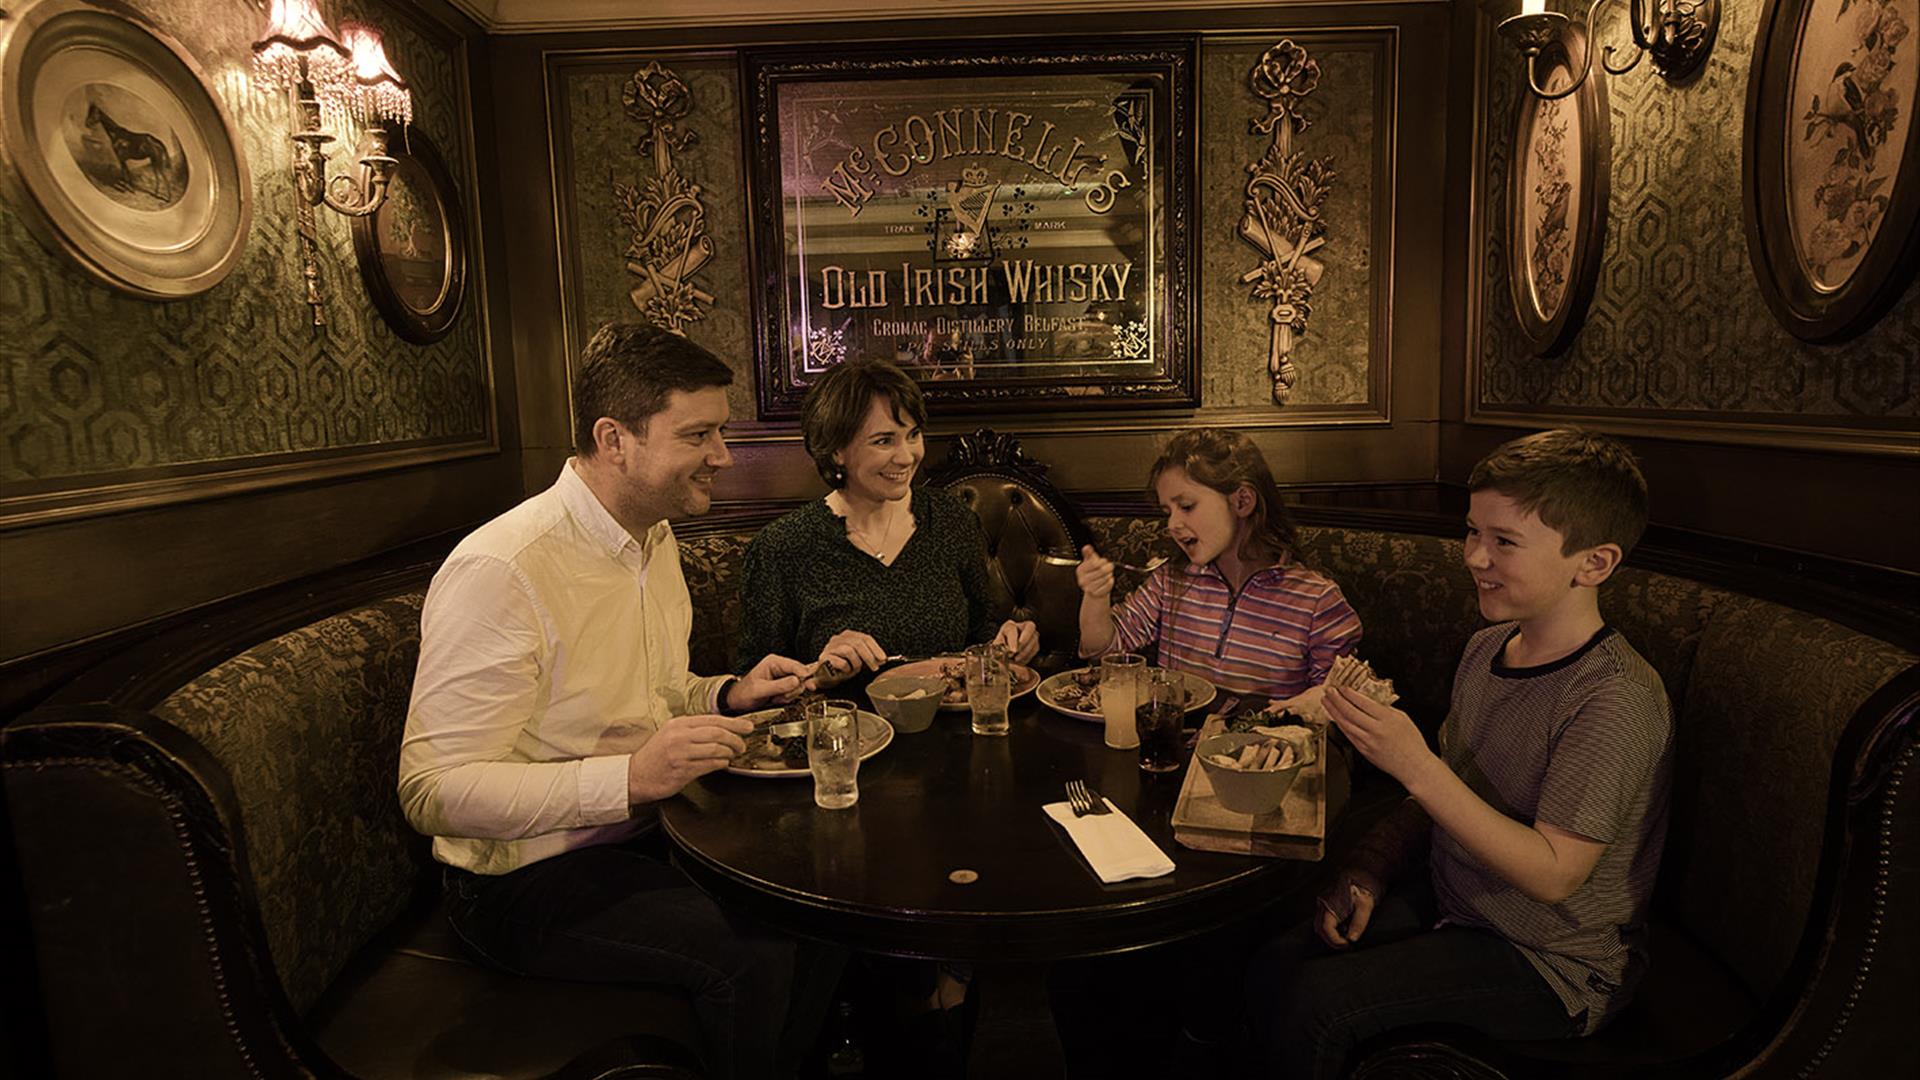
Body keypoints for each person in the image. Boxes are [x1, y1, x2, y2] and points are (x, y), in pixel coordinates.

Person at [397, 322, 841, 1080]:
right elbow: (432, 792)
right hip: (518, 883)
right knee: (758, 951)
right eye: (698, 434)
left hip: (645, 836)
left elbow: (656, 696)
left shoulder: (652, 534)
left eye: (721, 431)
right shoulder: (504, 567)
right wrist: (631, 778)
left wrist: (729, 694)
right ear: (614, 439)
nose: (723, 457)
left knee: (823, 900)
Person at [1243, 427, 1673, 1078]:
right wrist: (1370, 869)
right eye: (1474, 532)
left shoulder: (1615, 697)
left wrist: (1412, 761)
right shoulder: (1486, 647)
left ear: (1595, 563)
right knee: (1274, 957)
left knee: (1317, 1006)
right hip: (1456, 900)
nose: (1474, 556)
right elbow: (1442, 796)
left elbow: (1555, 873)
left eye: (1504, 541)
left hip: (1552, 960)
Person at [736, 357, 1039, 680]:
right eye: (884, 441)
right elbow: (756, 685)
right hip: (848, 727)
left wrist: (1008, 642)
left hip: (949, 724)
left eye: (913, 435)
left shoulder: (952, 520)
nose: (907, 456)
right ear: (836, 449)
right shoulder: (782, 547)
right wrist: (819, 670)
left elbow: (980, 635)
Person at [1074, 426, 1361, 699]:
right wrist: (1096, 596)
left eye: (1186, 506)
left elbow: (1338, 703)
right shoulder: (1170, 581)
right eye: (1168, 511)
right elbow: (1104, 653)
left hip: (1266, 744)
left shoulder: (1317, 601)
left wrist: (1322, 701)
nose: (1173, 524)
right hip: (1176, 743)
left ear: (1242, 501)